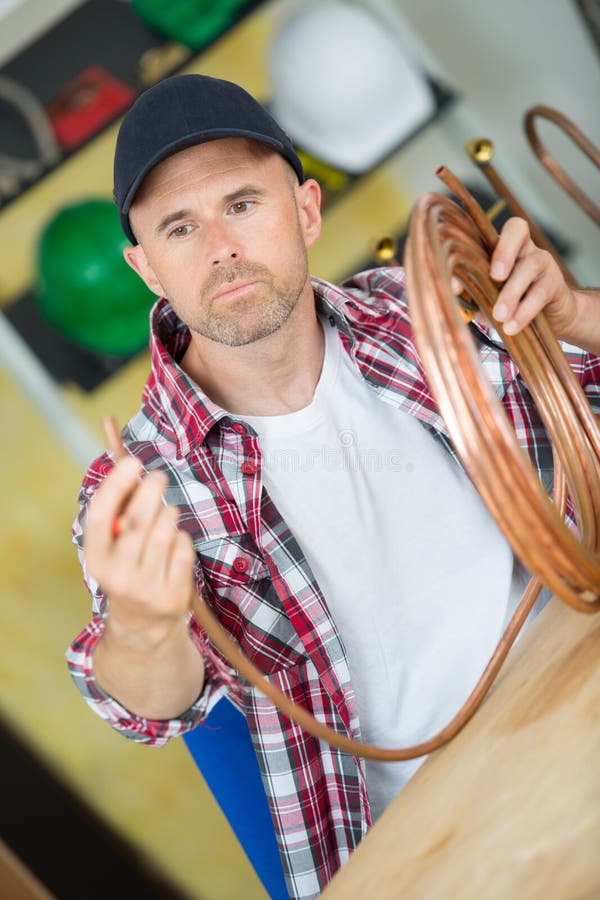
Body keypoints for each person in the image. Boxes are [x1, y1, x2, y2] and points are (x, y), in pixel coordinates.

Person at [67, 75, 600, 899]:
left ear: (306, 210)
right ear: (145, 267)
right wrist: (141, 628)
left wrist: (576, 317)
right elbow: (151, 709)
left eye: (242, 203)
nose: (220, 246)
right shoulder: (143, 484)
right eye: (181, 226)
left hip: (574, 692)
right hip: (440, 839)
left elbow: (585, 400)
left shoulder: (418, 316)